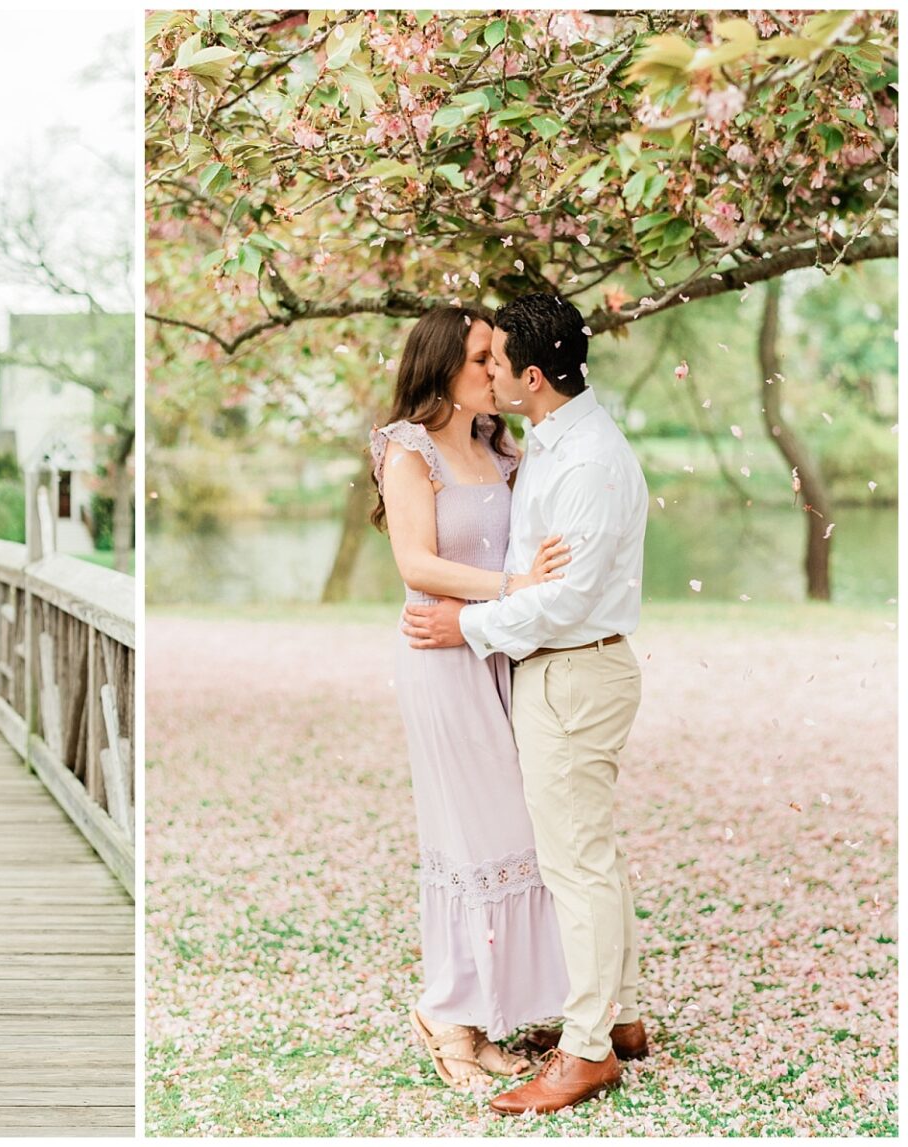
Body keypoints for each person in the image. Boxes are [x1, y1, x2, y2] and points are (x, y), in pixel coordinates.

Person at [402, 292, 651, 1115]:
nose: (491, 373)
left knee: (573, 862)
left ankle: (585, 1050)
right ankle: (612, 1017)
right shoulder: (547, 441)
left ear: (532, 375)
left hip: (572, 666)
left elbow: (566, 600)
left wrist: (468, 623)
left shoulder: (583, 460)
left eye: (497, 360)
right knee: (587, 854)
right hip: (549, 668)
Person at [371, 305, 574, 1090]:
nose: (495, 369)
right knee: (468, 834)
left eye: (497, 355)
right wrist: (509, 588)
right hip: (441, 655)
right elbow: (416, 563)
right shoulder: (408, 449)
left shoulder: (500, 445)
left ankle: (484, 1016)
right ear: (442, 367)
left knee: (514, 834)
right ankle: (444, 1011)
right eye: (481, 357)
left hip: (497, 650)